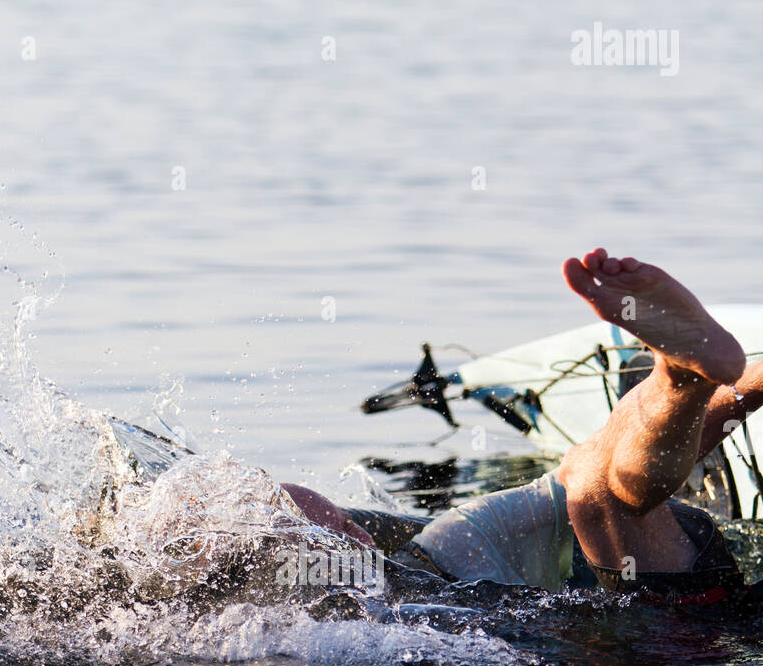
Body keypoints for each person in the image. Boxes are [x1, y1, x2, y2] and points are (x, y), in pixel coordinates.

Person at [288, 250, 763, 609]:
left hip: (669, 603)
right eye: (346, 537)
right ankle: (683, 377)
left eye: (351, 530)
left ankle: (684, 377)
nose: (361, 540)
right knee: (590, 479)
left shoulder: (405, 591)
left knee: (590, 483)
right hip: (671, 608)